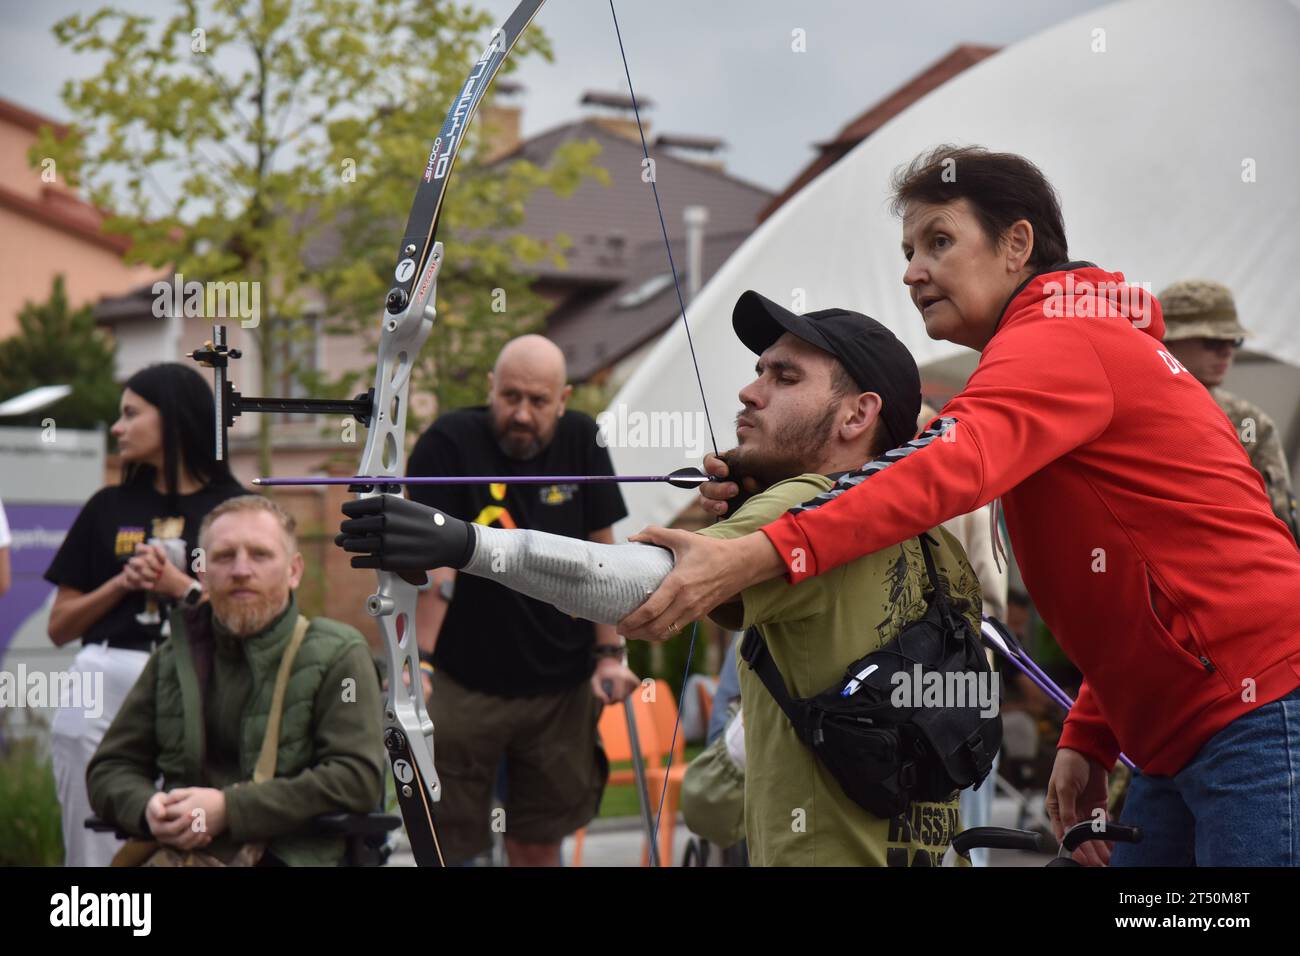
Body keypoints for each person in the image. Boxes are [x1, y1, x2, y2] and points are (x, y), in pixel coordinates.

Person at [620, 145, 1300, 867]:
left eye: (939, 241)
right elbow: (1153, 577)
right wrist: (1089, 734)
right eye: (909, 249)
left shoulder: (1059, 338)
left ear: (1017, 244)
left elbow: (949, 462)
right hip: (1195, 728)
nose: (913, 270)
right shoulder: (1065, 340)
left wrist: (752, 552)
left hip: (1254, 708)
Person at [338, 292, 991, 866]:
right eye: (759, 369)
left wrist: (464, 542)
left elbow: (641, 582)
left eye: (785, 376)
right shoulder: (934, 541)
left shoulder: (810, 507)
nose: (750, 389)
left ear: (856, 416)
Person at [404, 334, 639, 866]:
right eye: (511, 397)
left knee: (536, 840)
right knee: (450, 842)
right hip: (464, 679)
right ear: (491, 388)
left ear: (563, 398)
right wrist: (418, 664)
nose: (523, 414)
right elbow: (438, 568)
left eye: (538, 401)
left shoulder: (583, 439)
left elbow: (602, 552)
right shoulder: (448, 441)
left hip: (559, 682)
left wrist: (610, 653)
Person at [87, 495, 384, 866]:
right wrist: (150, 809)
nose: (241, 569)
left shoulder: (338, 654)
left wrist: (230, 808)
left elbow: (357, 778)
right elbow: (110, 768)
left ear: (293, 571)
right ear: (202, 571)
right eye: (225, 556)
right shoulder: (172, 658)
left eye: (260, 555)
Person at [43, 363, 246, 866]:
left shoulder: (238, 511)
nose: (117, 428)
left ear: (174, 421)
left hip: (205, 683)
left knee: (188, 832)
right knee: (92, 839)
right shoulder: (105, 506)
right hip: (105, 679)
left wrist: (181, 587)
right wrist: (122, 583)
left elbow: (265, 620)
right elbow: (59, 626)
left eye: (131, 414)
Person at [1159, 278, 1299, 543]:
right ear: (1168, 341)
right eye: (1212, 341)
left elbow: (1280, 524)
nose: (1226, 352)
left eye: (1233, 341)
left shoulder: (1249, 422)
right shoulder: (1128, 412)